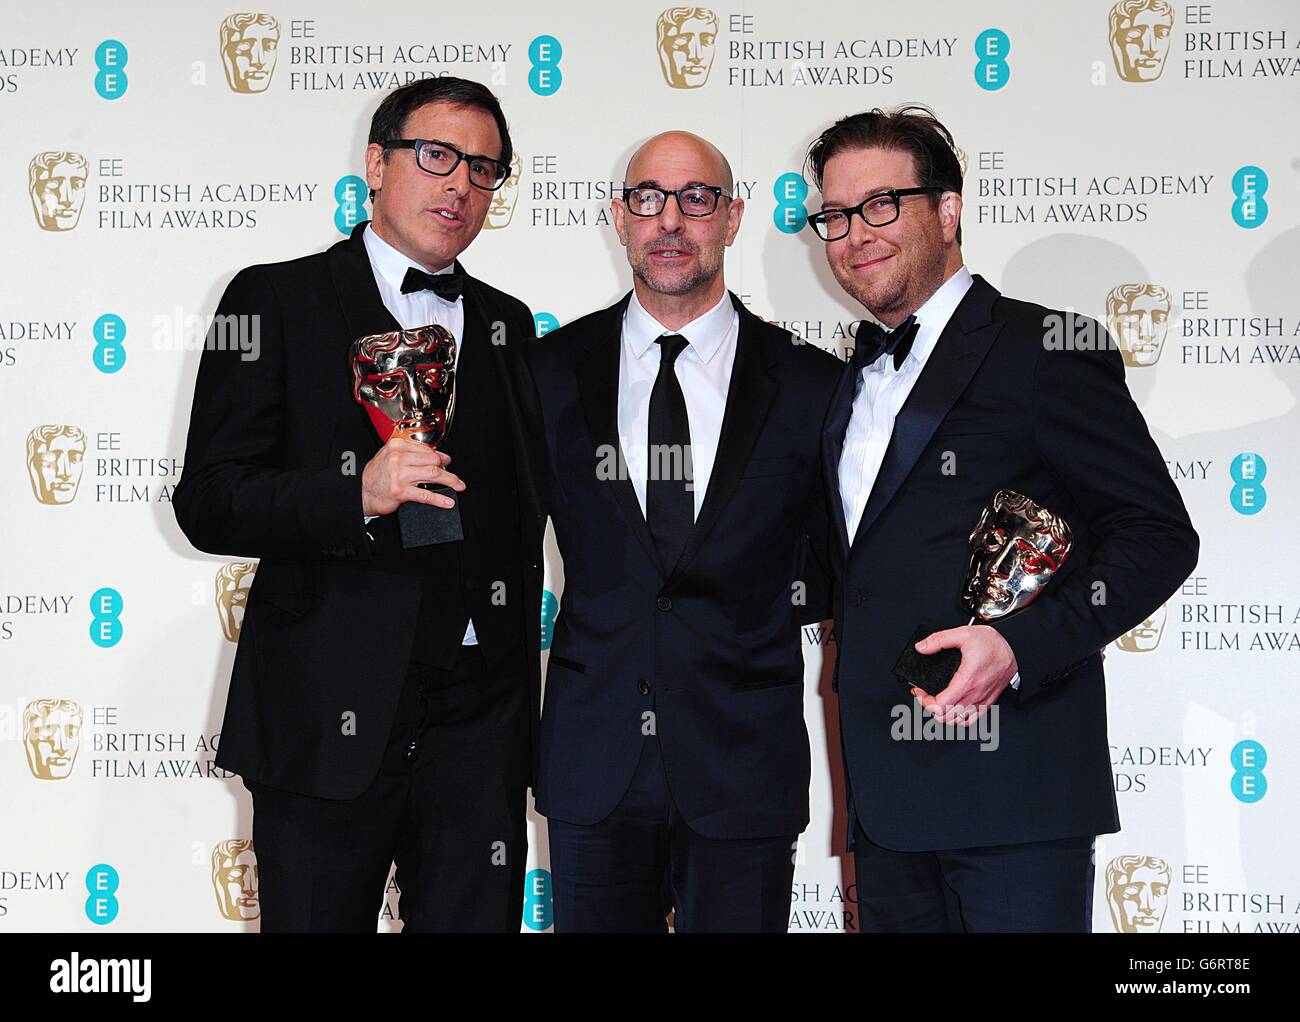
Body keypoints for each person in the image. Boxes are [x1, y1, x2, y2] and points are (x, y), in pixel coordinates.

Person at [806, 105, 1198, 932]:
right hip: (885, 805)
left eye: (883, 204)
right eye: (835, 215)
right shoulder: (847, 381)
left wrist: (1022, 646)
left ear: (948, 210)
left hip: (1015, 793)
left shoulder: (1046, 348)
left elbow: (1158, 535)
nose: (854, 233)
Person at [173, 77, 546, 932]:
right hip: (323, 717)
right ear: (376, 163)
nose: (459, 184)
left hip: (478, 730)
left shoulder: (510, 325)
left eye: (484, 170)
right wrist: (357, 494)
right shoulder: (273, 298)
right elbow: (211, 499)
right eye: (437, 156)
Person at [527, 130, 841, 932]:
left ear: (733, 218)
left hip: (744, 762)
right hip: (594, 759)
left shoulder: (811, 384)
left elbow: (843, 564)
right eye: (648, 199)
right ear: (618, 217)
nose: (671, 220)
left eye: (697, 199)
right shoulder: (546, 372)